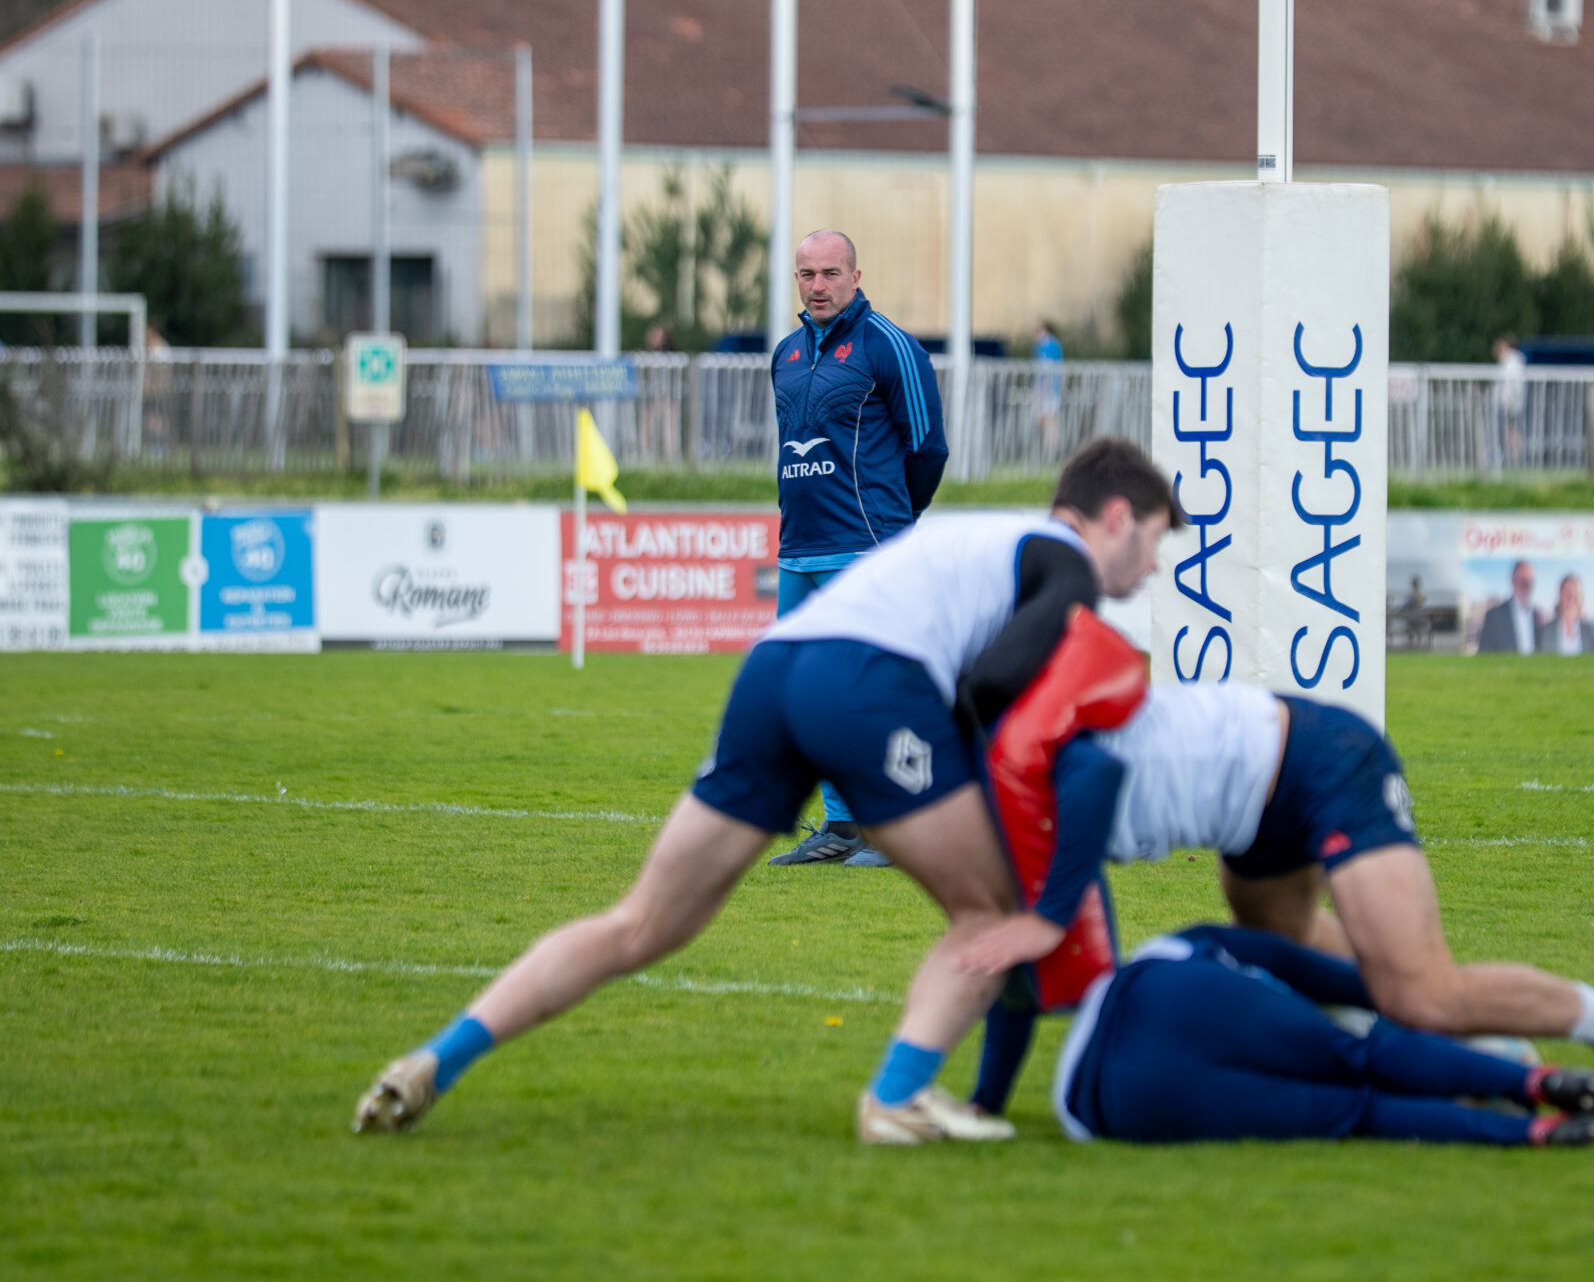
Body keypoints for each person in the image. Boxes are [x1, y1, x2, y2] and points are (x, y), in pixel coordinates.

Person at [350, 439, 1182, 1144]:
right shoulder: (1066, 565)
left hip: (774, 669)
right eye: (1150, 540)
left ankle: (432, 1060)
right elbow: (988, 687)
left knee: (639, 922)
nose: (1149, 567)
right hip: (867, 681)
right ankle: (894, 1100)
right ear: (1113, 518)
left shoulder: (989, 539)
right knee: (1001, 915)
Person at [951, 609, 1594, 1118]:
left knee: (1420, 992)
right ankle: (1467, 1055)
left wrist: (1045, 924)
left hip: (1319, 763)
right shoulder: (1002, 784)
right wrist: (987, 1101)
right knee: (1293, 942)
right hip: (1250, 815)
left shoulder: (1027, 768)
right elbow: (1029, 968)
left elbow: (1054, 907)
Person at [972, 923, 1594, 1151]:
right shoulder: (1229, 947)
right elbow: (1342, 986)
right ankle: (1530, 1084)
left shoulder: (1201, 943)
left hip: (1102, 1098)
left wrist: (986, 1101)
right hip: (1159, 995)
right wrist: (1434, 1014)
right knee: (1359, 1059)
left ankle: (1538, 1125)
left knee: (1356, 1106)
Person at [767, 229, 948, 868]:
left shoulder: (888, 346)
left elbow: (928, 448)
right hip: (799, 552)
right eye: (806, 274)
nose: (817, 285)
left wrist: (899, 521)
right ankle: (843, 828)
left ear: (855, 275)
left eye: (829, 273)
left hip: (868, 549)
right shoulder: (785, 354)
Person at [1475, 558, 1546, 655]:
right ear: (1512, 581)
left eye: (1530, 581)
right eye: (1522, 580)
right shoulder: (1494, 617)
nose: (1526, 586)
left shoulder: (1539, 617)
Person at [1540, 572, 1594, 656]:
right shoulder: (1546, 631)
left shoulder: (1591, 632)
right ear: (1560, 596)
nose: (1571, 598)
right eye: (1567, 592)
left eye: (1576, 593)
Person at [1032, 318, 1065, 462]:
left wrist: (1040, 391)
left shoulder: (1048, 346)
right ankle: (1051, 451)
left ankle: (1053, 452)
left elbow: (1047, 370)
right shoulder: (1051, 345)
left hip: (1048, 390)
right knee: (1045, 421)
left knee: (1049, 422)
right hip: (1050, 389)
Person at [1494, 333, 1527, 468]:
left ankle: (1514, 457)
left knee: (1511, 431)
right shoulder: (1511, 362)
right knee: (1511, 431)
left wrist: (1509, 402)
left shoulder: (1511, 363)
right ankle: (1512, 457)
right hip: (1511, 403)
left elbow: (1512, 385)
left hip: (1510, 404)